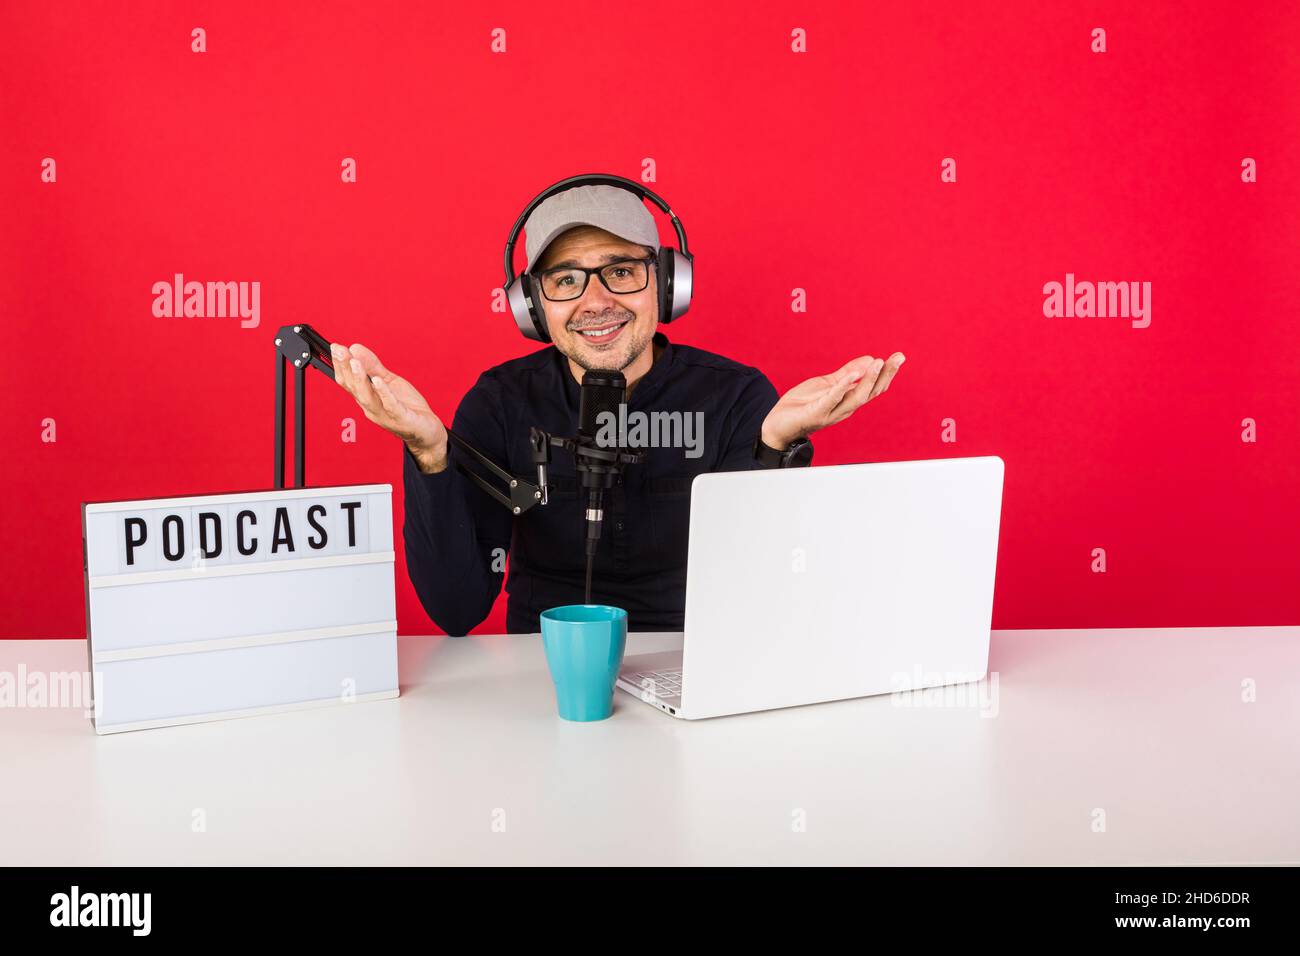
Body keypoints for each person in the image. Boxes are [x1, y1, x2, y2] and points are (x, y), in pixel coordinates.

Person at [330, 179, 905, 634]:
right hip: (543, 673)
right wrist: (430, 453)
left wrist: (774, 446)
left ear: (667, 284)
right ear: (533, 307)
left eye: (621, 272)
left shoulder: (736, 397)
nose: (595, 302)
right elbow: (457, 611)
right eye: (566, 281)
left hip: (699, 659)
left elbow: (762, 587)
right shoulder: (500, 403)